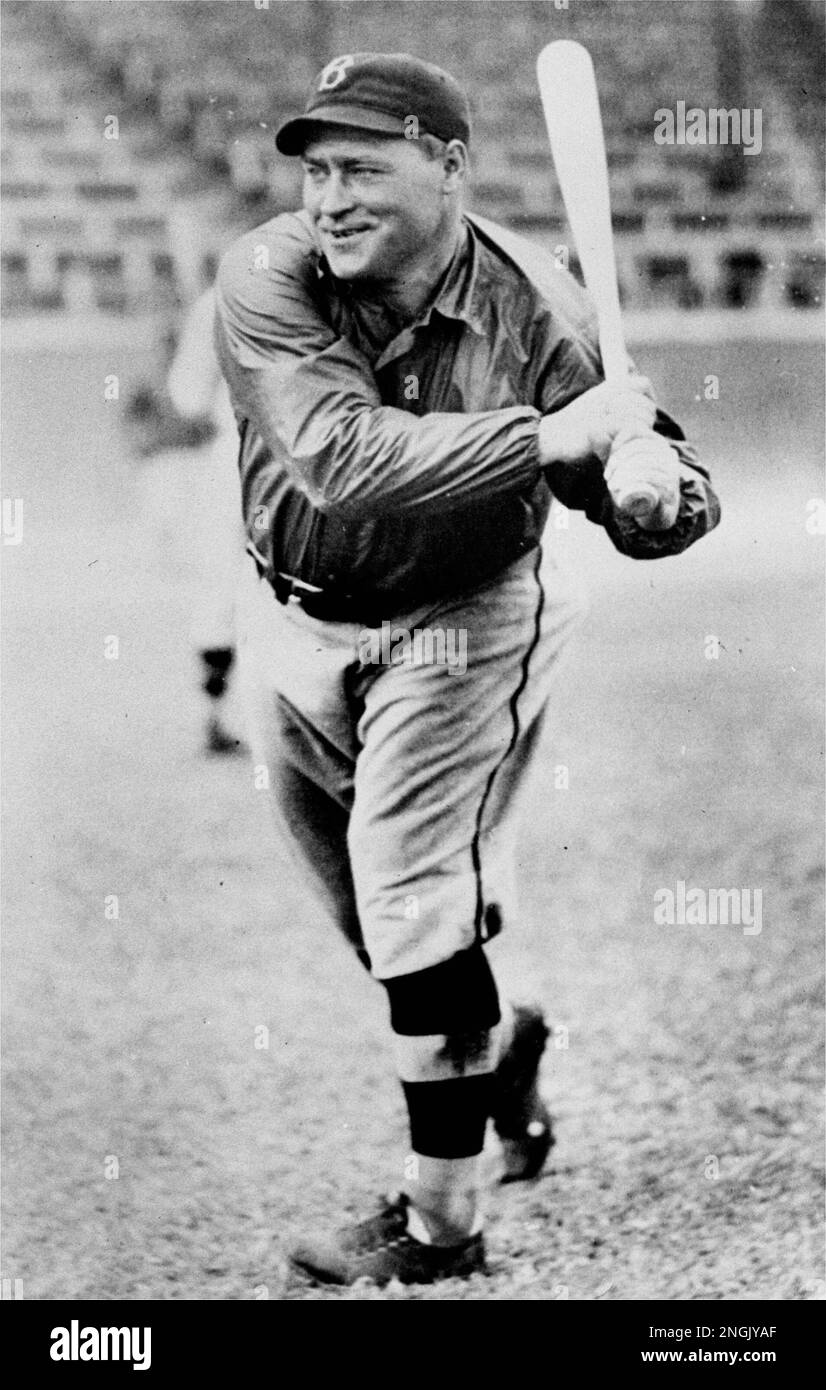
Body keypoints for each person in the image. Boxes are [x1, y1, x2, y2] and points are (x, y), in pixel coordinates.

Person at [214, 52, 720, 1287]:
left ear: (446, 167)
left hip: (466, 616)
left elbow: (669, 489)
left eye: (362, 168)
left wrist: (649, 493)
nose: (327, 198)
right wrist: (556, 436)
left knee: (407, 890)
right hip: (298, 613)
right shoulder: (266, 275)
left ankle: (440, 1223)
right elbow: (340, 457)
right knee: (380, 927)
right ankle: (505, 1035)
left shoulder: (543, 309)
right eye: (316, 170)